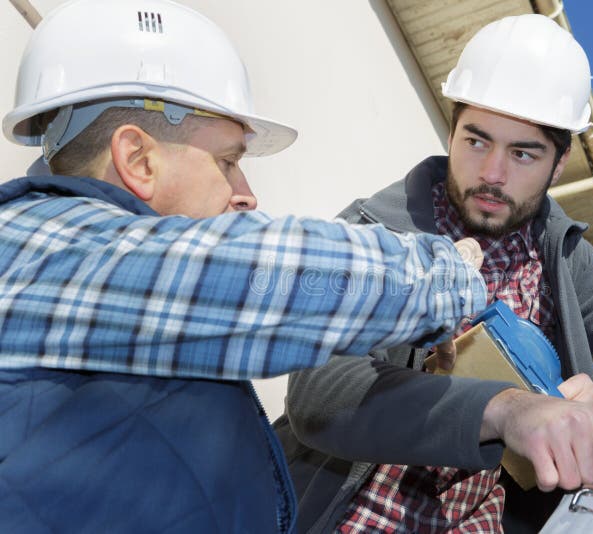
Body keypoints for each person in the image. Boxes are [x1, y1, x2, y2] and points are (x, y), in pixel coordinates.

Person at [0, 1, 491, 532]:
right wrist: (449, 275)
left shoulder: (109, 277)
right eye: (228, 162)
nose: (247, 195)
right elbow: (284, 272)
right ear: (138, 160)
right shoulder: (48, 250)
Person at [276, 14, 593, 532]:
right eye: (476, 141)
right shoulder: (371, 231)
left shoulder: (565, 261)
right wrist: (505, 410)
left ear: (559, 163)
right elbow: (320, 392)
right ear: (453, 128)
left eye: (522, 153)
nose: (491, 172)